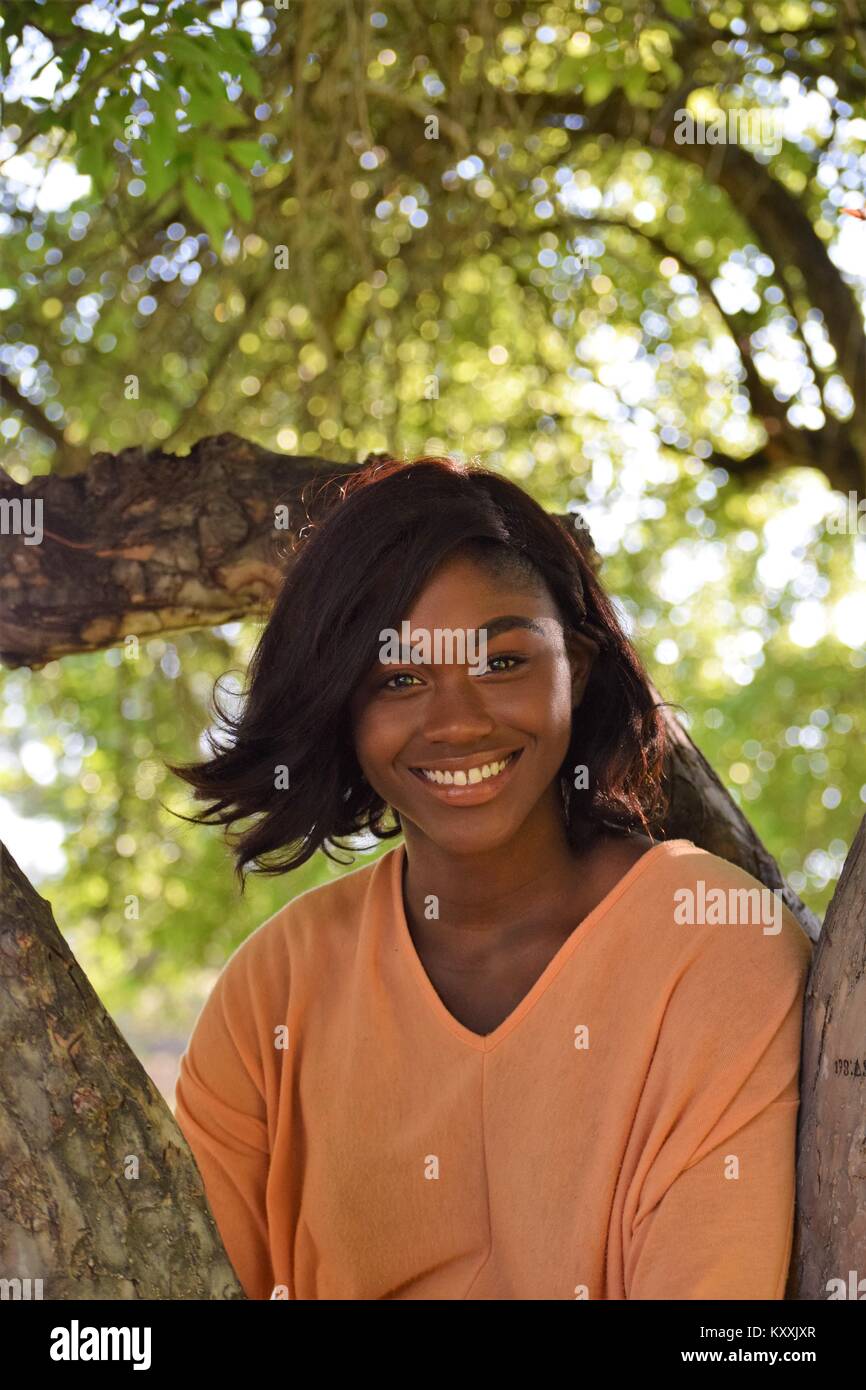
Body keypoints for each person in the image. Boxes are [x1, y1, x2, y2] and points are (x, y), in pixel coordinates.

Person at [169, 454, 812, 1300]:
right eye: (399, 679)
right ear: (342, 705)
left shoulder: (716, 945)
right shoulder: (272, 994)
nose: (460, 723)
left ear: (573, 671)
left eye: (503, 663)